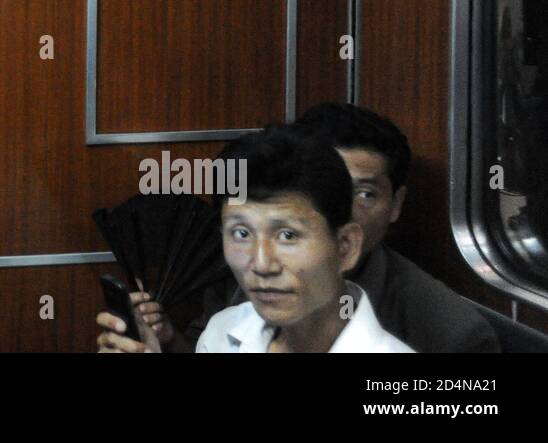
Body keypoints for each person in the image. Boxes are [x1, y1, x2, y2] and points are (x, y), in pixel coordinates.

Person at [99, 103, 500, 353]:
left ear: (346, 243)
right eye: (240, 233)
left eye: (289, 234)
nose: (262, 263)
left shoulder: (450, 332)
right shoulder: (228, 324)